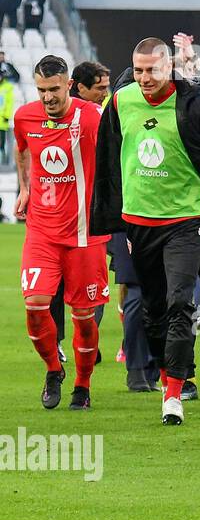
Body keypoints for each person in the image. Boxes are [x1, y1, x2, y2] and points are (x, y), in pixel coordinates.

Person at [91, 38, 200, 425]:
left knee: (184, 302)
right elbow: (105, 159)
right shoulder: (121, 103)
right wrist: (108, 217)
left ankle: (177, 391)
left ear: (169, 67)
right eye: (138, 71)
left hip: (189, 221)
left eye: (152, 70)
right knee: (154, 311)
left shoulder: (199, 104)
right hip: (138, 224)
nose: (144, 78)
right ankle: (174, 374)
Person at [14, 56, 108, 410]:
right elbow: (22, 148)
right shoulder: (25, 116)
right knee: (35, 307)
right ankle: (54, 369)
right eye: (41, 90)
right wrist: (25, 188)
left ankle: (82, 387)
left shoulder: (91, 117)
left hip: (84, 235)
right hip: (42, 231)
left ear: (68, 85)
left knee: (83, 317)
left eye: (54, 89)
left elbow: (114, 160)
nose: (48, 97)